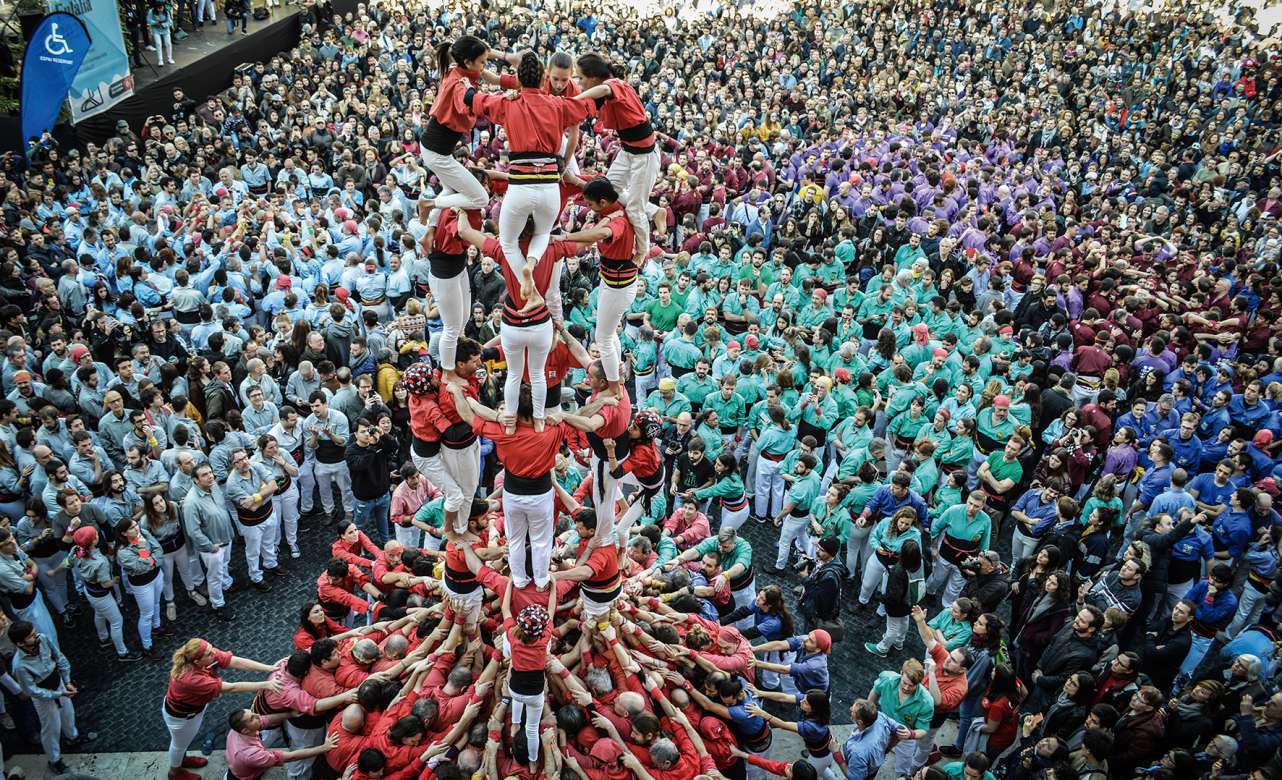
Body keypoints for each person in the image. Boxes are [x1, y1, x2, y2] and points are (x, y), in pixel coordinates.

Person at [10, 619, 94, 776]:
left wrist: (67, 681)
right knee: (51, 728)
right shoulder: (19, 666)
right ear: (20, 643)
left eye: (34, 632)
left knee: (68, 714)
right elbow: (32, 690)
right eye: (31, 636)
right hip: (44, 697)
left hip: (59, 684)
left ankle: (72, 737)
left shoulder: (42, 639)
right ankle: (54, 759)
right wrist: (59, 694)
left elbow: (59, 657)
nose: (36, 636)